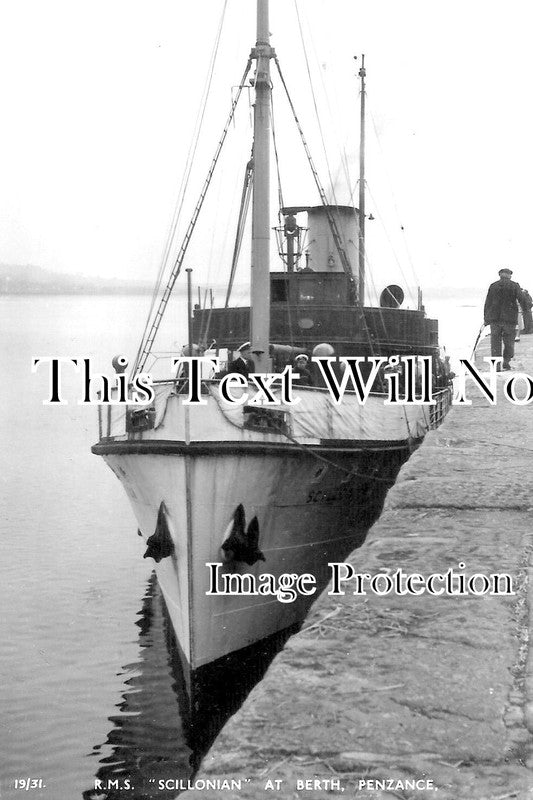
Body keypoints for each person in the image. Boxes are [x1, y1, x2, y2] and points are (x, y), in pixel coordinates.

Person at [483, 268, 525, 370]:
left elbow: (487, 303)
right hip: (509, 320)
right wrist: (526, 309)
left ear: (500, 275)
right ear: (509, 275)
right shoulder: (514, 285)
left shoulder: (493, 286)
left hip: (495, 320)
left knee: (495, 343)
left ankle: (496, 366)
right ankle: (506, 362)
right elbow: (522, 299)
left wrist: (486, 318)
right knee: (509, 343)